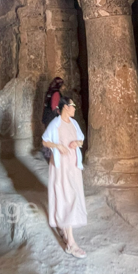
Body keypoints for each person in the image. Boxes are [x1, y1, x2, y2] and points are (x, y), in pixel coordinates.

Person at [42, 96, 87, 259]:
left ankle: (65, 230)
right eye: (72, 105)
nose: (75, 108)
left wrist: (77, 143)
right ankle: (71, 243)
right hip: (61, 167)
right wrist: (57, 146)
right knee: (68, 198)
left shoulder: (74, 123)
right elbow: (45, 141)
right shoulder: (55, 123)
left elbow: (81, 139)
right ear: (65, 107)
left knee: (73, 196)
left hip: (73, 166)